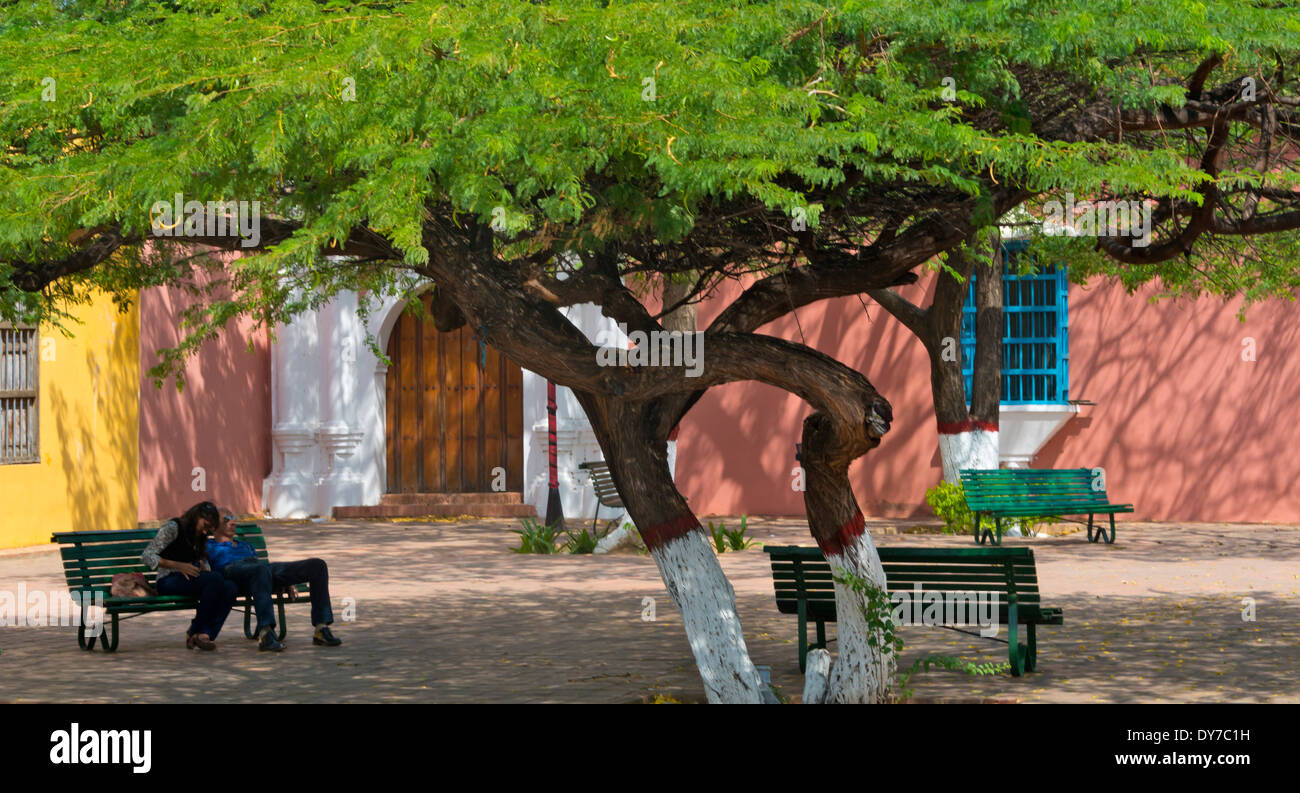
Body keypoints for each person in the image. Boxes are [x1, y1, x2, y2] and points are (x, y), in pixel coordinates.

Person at [206, 511, 342, 651]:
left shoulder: (245, 546)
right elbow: (203, 570)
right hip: (232, 572)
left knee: (317, 566)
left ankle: (321, 628)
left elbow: (262, 571)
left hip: (259, 572)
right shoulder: (208, 546)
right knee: (260, 569)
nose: (233, 522)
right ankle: (265, 633)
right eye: (227, 519)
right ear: (213, 526)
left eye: (234, 517)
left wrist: (285, 581)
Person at [140, 501, 238, 651]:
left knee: (230, 587)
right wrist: (177, 565)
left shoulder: (199, 535)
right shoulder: (173, 527)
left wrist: (205, 567)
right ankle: (194, 631)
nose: (206, 532)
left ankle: (205, 634)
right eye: (205, 526)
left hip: (191, 579)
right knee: (215, 580)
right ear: (197, 516)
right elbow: (147, 556)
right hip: (167, 580)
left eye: (209, 529)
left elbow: (202, 557)